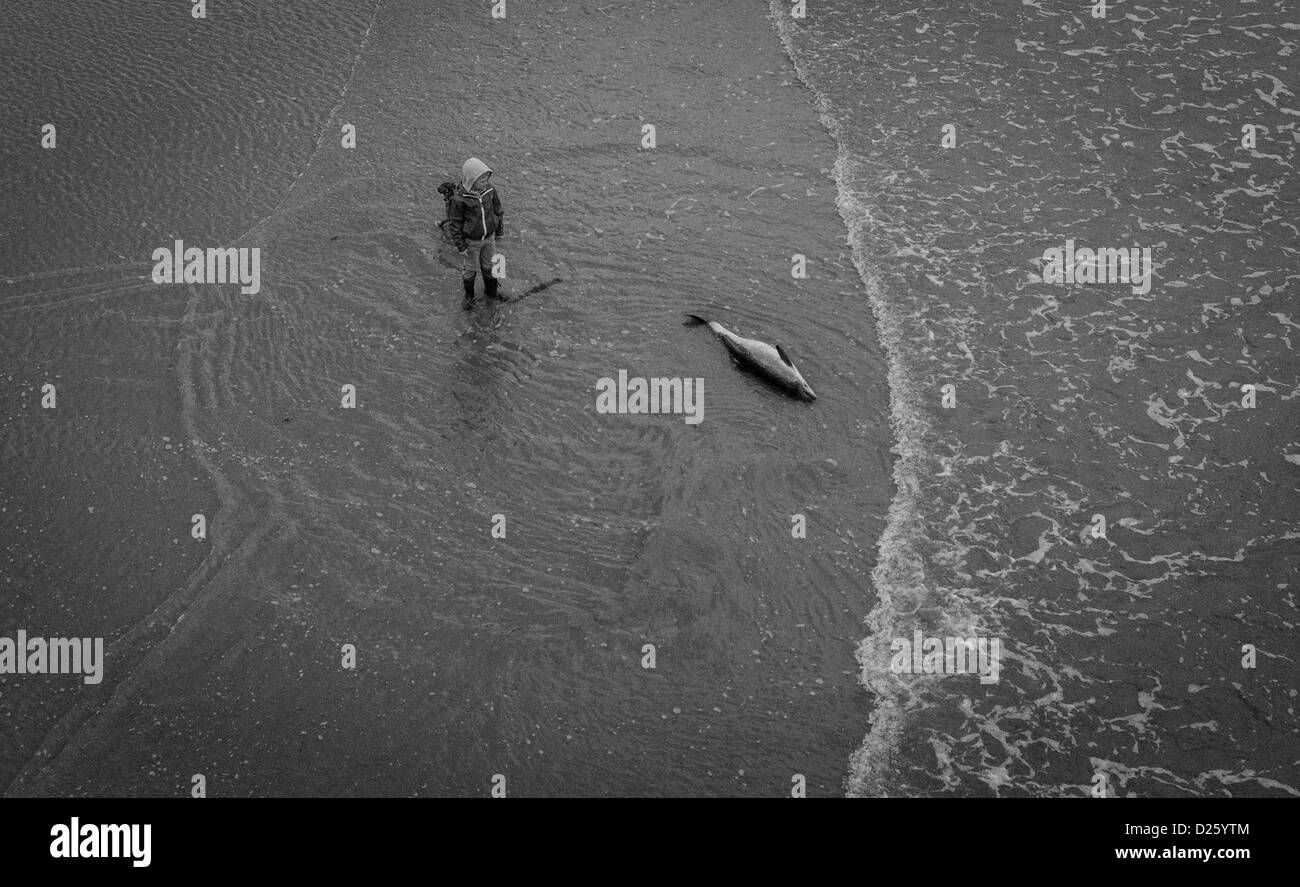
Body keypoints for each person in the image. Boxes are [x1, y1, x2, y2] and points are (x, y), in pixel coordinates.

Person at [447, 157, 505, 306]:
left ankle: (491, 292)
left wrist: (499, 230)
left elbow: (498, 211)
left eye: (487, 178)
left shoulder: (490, 191)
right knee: (471, 270)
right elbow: (455, 224)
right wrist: (461, 246)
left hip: (489, 238)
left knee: (489, 266)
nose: (485, 182)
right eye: (481, 180)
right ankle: (469, 297)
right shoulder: (460, 200)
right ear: (471, 181)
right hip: (472, 242)